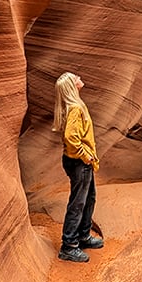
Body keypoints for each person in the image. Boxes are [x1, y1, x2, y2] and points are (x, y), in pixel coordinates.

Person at [52, 71, 104, 263]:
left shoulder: (74, 106)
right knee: (78, 202)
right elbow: (71, 137)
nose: (80, 78)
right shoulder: (75, 108)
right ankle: (69, 245)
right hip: (79, 162)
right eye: (76, 78)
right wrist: (86, 154)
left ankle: (83, 236)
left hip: (78, 162)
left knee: (89, 199)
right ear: (72, 86)